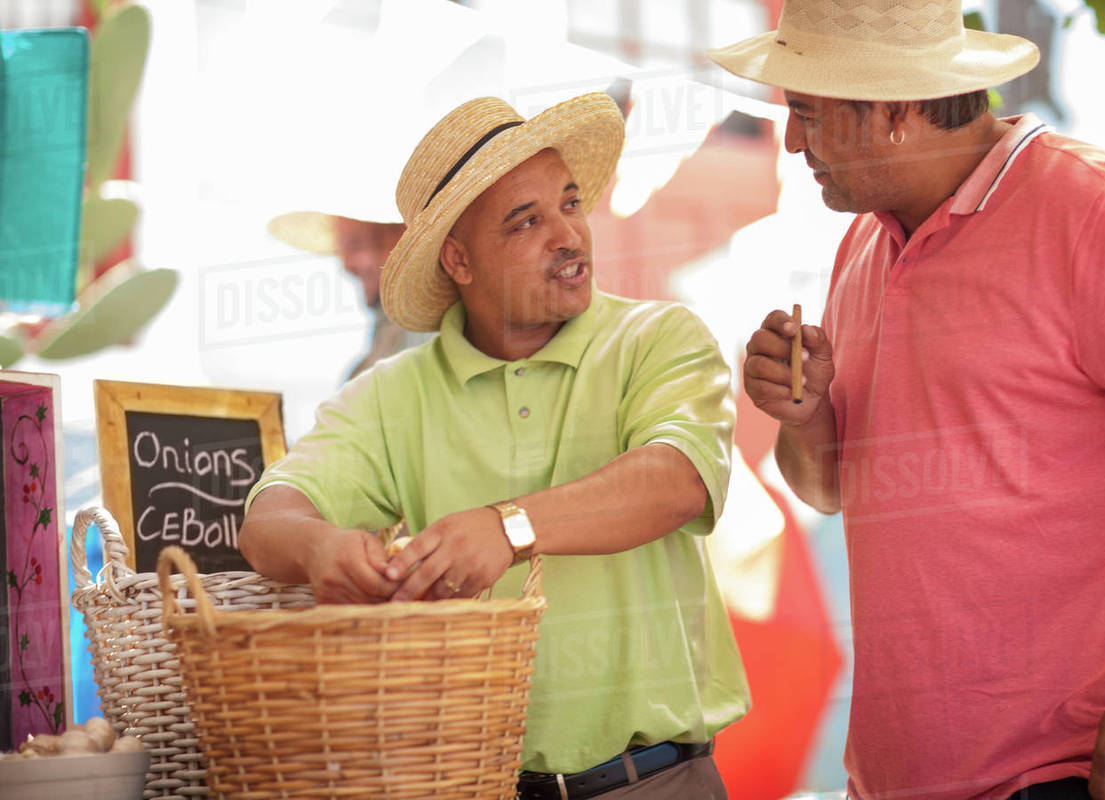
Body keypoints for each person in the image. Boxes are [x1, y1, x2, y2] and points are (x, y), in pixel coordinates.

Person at [709, 2, 1105, 800]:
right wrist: (803, 414)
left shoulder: (1091, 207)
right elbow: (832, 489)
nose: (791, 141)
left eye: (806, 112)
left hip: (1074, 773)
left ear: (895, 112)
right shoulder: (863, 242)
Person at [239, 92, 750, 799]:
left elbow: (677, 481)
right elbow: (268, 520)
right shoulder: (391, 394)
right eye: (527, 222)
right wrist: (320, 549)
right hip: (469, 783)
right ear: (459, 260)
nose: (569, 235)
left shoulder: (659, 339)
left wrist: (509, 526)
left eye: (570, 204)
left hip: (659, 781)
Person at [268, 209, 427, 380]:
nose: (347, 265)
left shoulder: (424, 326)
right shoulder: (389, 327)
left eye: (355, 244)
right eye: (342, 250)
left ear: (403, 236)